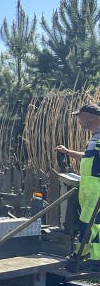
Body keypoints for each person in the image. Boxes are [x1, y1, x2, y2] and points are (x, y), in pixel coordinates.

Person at [56, 103, 100, 266]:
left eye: (80, 116)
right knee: (89, 223)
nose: (78, 120)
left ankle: (92, 259)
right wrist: (68, 152)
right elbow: (87, 157)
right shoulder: (94, 137)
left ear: (91, 117)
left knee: (92, 224)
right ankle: (87, 255)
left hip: (96, 188)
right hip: (89, 187)